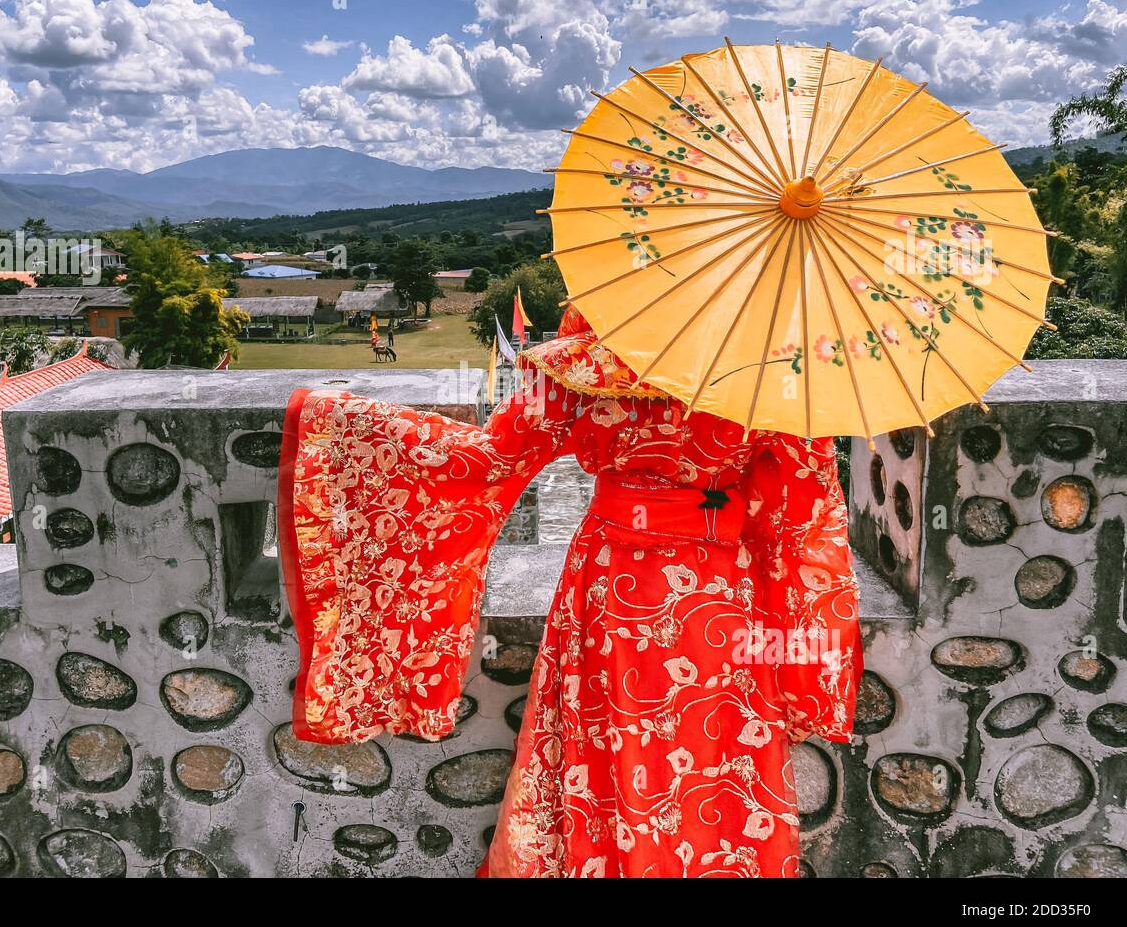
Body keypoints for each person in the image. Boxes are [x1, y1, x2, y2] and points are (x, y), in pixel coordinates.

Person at [277, 307, 862, 878]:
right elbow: (802, 526)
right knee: (710, 760)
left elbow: (495, 456)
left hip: (611, 583)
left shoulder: (603, 329)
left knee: (605, 751)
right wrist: (811, 679)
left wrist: (341, 424)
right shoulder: (784, 354)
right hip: (719, 594)